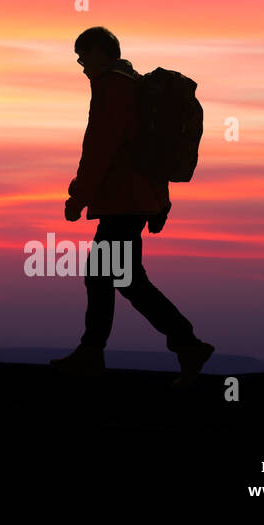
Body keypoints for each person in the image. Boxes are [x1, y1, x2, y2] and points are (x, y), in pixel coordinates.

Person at [50, 26, 214, 387]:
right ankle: (181, 345)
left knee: (110, 278)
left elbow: (100, 147)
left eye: (82, 57)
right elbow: (151, 149)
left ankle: (180, 344)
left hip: (121, 202)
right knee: (121, 278)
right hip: (136, 201)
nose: (81, 66)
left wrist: (78, 197)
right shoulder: (136, 84)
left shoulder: (113, 86)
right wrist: (160, 204)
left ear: (98, 52)